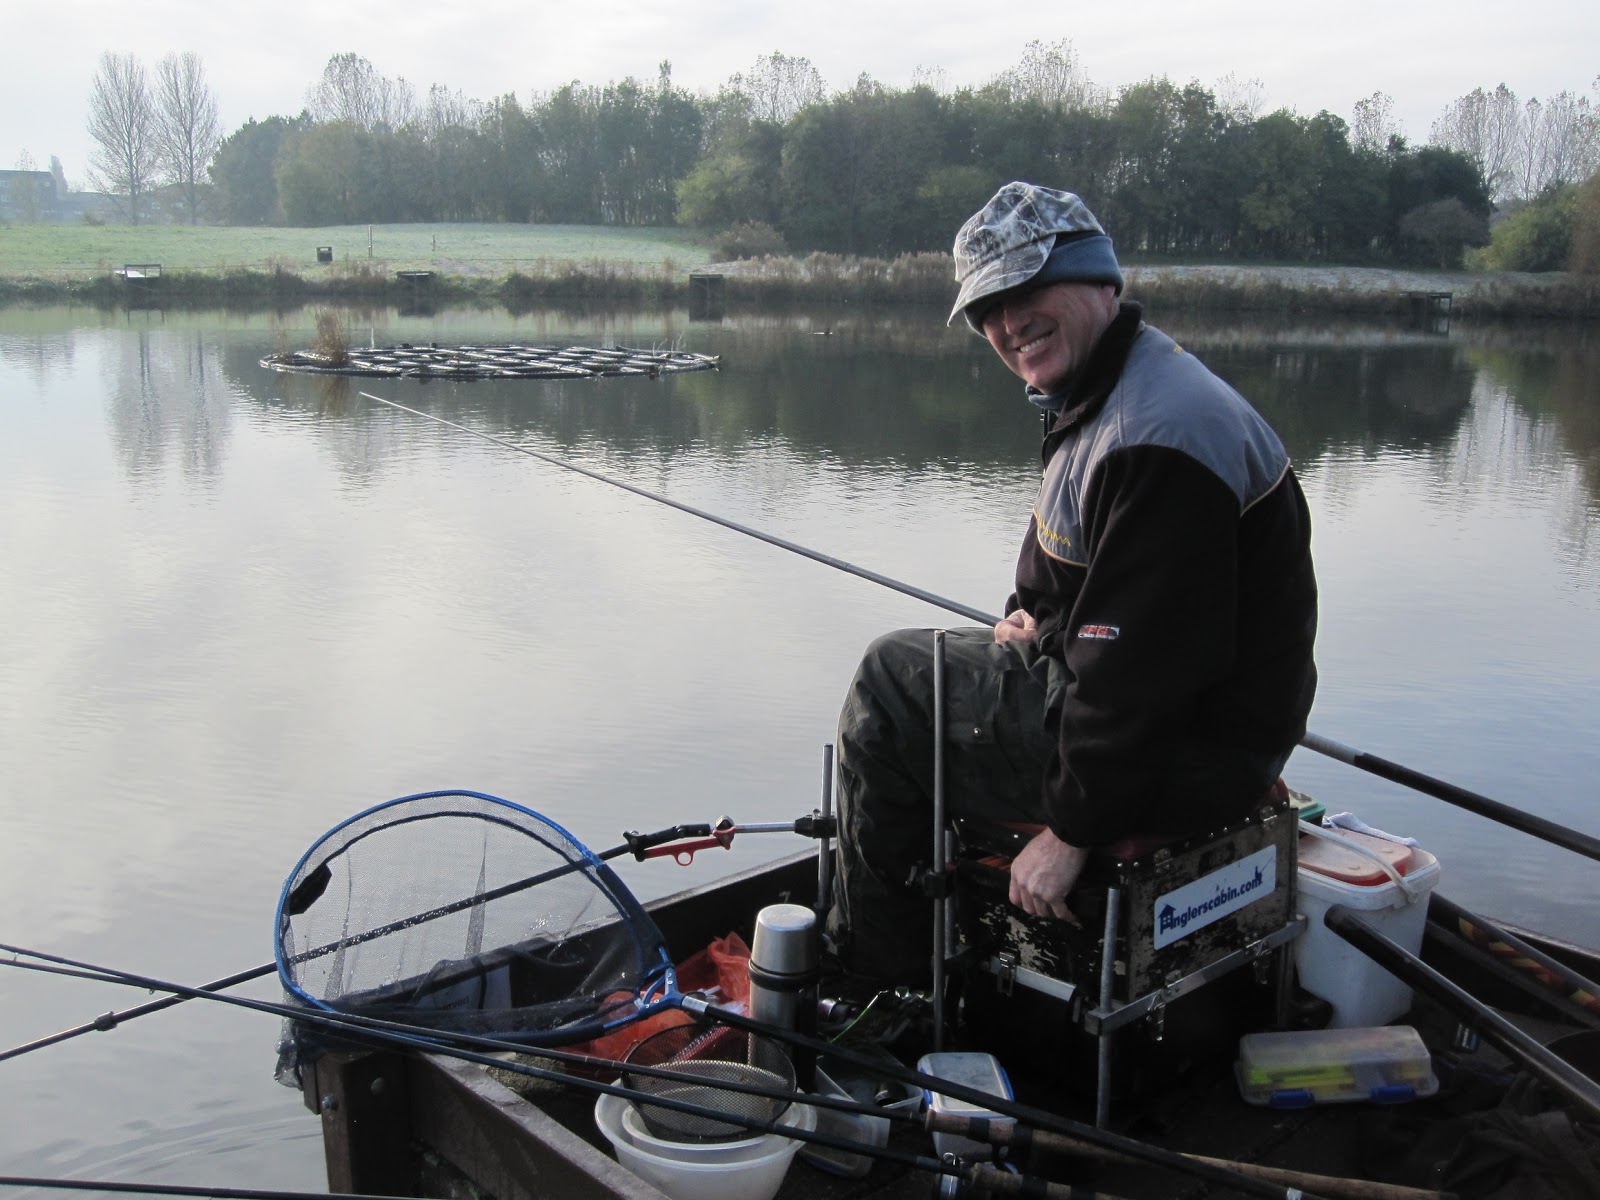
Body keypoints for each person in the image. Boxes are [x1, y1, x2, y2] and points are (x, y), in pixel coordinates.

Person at [826, 182, 1318, 988]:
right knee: (937, 668)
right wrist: (1033, 619)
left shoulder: (1152, 436)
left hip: (1189, 746)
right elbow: (1090, 590)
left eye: (1026, 291)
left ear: (1100, 281)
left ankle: (885, 985)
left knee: (890, 689)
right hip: (1198, 725)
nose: (1008, 322)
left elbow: (1141, 679)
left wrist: (1072, 829)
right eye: (988, 307)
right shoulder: (1110, 392)